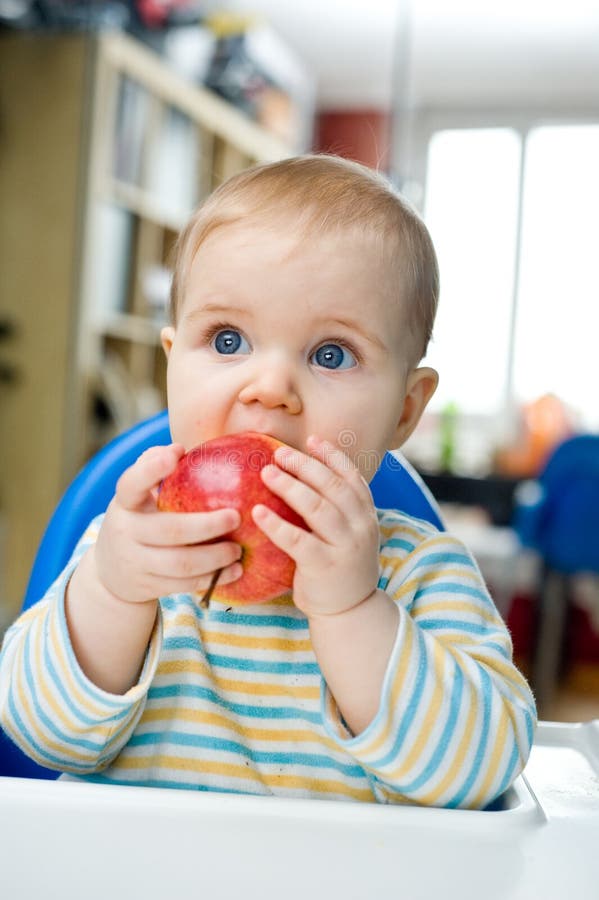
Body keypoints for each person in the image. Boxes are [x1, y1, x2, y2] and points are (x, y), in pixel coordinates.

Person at [0, 155, 535, 806]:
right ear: (173, 365)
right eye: (227, 340)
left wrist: (352, 610)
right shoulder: (131, 555)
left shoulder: (421, 572)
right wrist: (113, 593)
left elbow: (478, 772)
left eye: (330, 354)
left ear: (403, 410)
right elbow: (35, 736)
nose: (270, 389)